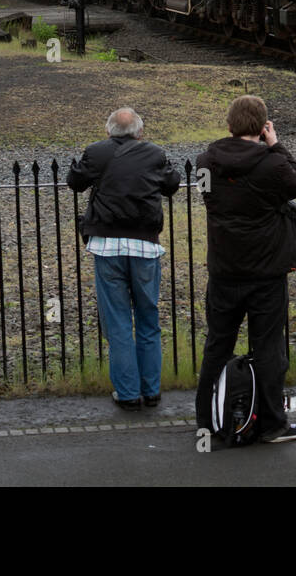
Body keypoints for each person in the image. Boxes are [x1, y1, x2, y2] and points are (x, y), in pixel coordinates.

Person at [194, 95, 296, 443]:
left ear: (229, 125)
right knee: (268, 348)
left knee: (217, 344)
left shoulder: (205, 161)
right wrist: (277, 146)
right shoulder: (272, 164)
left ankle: (207, 421)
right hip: (266, 272)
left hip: (224, 269)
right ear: (262, 128)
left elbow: (208, 198)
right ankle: (272, 424)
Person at [68, 108, 182, 410]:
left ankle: (128, 393)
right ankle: (152, 390)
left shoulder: (96, 152)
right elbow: (172, 185)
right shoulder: (154, 153)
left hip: (108, 247)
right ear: (140, 132)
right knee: (148, 319)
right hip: (145, 246)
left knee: (118, 321)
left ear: (108, 131)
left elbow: (74, 181)